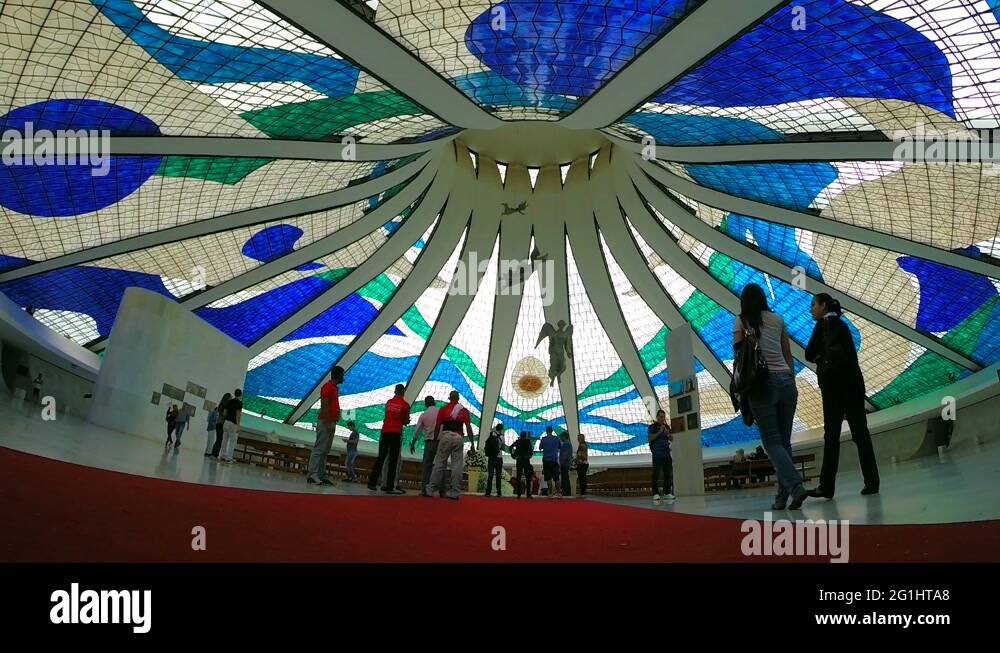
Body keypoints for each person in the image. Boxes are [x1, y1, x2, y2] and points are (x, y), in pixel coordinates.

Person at [734, 283, 807, 510]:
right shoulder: (778, 319)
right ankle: (782, 497)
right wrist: (791, 378)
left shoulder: (742, 321)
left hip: (761, 385)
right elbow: (787, 353)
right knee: (784, 442)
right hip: (786, 381)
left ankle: (796, 487)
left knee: (771, 441)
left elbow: (739, 355)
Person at [804, 292, 880, 499]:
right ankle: (872, 481)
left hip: (832, 389)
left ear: (823, 306)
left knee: (832, 437)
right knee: (860, 433)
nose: (811, 309)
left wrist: (821, 359)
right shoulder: (843, 326)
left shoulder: (822, 325)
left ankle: (826, 486)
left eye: (813, 305)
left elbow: (808, 353)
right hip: (853, 386)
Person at [425, 390, 475, 500]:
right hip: (458, 437)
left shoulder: (443, 410)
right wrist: (472, 443)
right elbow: (468, 428)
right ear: (458, 399)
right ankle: (455, 492)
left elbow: (438, 426)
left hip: (446, 436)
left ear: (449, 398)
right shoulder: (464, 411)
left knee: (439, 463)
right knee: (457, 465)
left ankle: (430, 489)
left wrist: (435, 439)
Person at [368, 384, 410, 495]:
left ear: (395, 391)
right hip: (396, 433)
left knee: (381, 457)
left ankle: (372, 483)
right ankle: (389, 486)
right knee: (393, 460)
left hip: (385, 431)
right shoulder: (405, 405)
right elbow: (405, 421)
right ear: (403, 392)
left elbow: (386, 416)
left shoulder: (388, 403)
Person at [307, 366, 344, 485]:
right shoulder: (327, 387)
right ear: (338, 375)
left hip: (331, 422)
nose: (344, 377)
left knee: (325, 451)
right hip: (325, 422)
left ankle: (321, 474)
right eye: (343, 375)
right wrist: (328, 422)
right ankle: (312, 474)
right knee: (319, 449)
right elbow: (324, 405)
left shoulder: (335, 388)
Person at [410, 396, 442, 496]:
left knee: (426, 466)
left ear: (426, 404)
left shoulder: (424, 415)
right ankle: (442, 490)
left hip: (429, 442)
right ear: (434, 402)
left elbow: (418, 430)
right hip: (440, 442)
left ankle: (425, 490)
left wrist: (413, 443)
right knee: (441, 465)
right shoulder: (440, 412)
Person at [648, 410, 674, 501]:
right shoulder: (652, 427)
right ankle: (655, 493)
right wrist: (659, 432)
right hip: (657, 453)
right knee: (656, 473)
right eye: (661, 417)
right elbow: (650, 438)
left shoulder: (666, 426)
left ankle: (667, 492)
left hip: (666, 453)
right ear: (657, 417)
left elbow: (672, 438)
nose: (663, 419)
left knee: (668, 473)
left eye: (664, 417)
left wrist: (667, 433)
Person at [219, 389, 243, 464]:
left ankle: (222, 456)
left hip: (226, 422)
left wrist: (225, 419)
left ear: (235, 394)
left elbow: (225, 412)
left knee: (224, 440)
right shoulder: (239, 403)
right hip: (233, 424)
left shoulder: (229, 401)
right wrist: (238, 425)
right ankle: (229, 458)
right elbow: (237, 414)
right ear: (240, 395)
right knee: (232, 441)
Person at [511, 431, 535, 499]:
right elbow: (531, 451)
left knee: (518, 476)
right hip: (526, 460)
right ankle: (528, 494)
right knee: (528, 477)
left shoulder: (518, 441)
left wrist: (513, 455)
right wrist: (529, 456)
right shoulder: (528, 442)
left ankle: (519, 494)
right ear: (525, 435)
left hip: (519, 460)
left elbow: (511, 447)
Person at [539, 426, 561, 497]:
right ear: (552, 431)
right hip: (554, 460)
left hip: (546, 460)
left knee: (548, 478)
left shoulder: (543, 439)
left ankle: (550, 493)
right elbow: (559, 447)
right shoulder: (557, 438)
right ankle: (558, 493)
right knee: (556, 478)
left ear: (546, 431)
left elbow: (540, 448)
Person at [483, 423, 504, 496]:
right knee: (498, 475)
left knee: (490, 475)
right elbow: (503, 447)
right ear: (501, 429)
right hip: (499, 458)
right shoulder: (502, 437)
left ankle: (488, 492)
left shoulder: (491, 434)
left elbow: (486, 443)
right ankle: (499, 493)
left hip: (491, 457)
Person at [210, 393, 230, 458]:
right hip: (221, 423)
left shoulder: (220, 405)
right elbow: (224, 415)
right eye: (230, 398)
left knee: (218, 439)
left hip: (218, 423)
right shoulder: (225, 406)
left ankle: (214, 454)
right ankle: (214, 454)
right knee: (219, 440)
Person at [559, 432, 573, 497]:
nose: (560, 438)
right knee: (565, 478)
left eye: (561, 437)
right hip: (566, 463)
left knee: (565, 478)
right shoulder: (568, 444)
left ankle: (566, 492)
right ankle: (566, 492)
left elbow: (565, 455)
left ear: (564, 436)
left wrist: (561, 463)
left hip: (565, 463)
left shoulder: (566, 444)